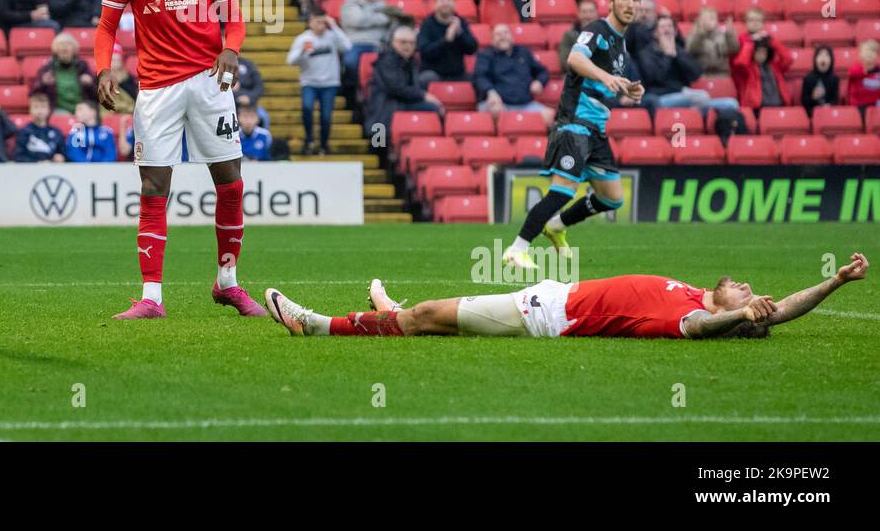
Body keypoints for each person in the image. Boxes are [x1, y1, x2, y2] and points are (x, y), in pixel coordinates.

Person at [94, 0, 262, 320]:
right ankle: (152, 297)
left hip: (210, 83)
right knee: (153, 188)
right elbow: (107, 25)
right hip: (156, 90)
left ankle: (228, 283)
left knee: (230, 182)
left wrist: (231, 47)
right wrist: (103, 67)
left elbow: (236, 19)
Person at [264, 253, 870, 340]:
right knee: (433, 318)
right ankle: (385, 308)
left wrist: (738, 314)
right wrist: (836, 281)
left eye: (746, 292)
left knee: (427, 318)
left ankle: (315, 325)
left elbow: (707, 331)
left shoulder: (693, 316)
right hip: (553, 294)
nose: (745, 284)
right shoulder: (695, 290)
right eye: (746, 290)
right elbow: (783, 309)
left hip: (546, 316)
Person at [503, 0, 644, 270]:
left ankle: (556, 226)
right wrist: (605, 77)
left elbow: (605, 82)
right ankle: (517, 248)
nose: (630, 4)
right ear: (611, 2)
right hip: (575, 125)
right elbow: (575, 59)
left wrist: (627, 88)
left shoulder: (621, 44)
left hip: (597, 131)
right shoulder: (597, 30)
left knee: (613, 198)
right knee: (563, 190)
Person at [637, 15, 742, 127]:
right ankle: (692, 121)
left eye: (670, 26)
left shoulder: (679, 51)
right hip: (660, 98)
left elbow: (696, 73)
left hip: (685, 96)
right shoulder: (646, 53)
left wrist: (676, 55)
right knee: (701, 96)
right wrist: (667, 56)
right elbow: (655, 78)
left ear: (675, 32)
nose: (667, 29)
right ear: (655, 33)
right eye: (663, 27)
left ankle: (693, 120)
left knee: (731, 104)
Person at [287, 11, 351, 155]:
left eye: (323, 22)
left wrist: (334, 27)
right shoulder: (303, 39)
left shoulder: (332, 36)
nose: (320, 25)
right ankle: (309, 139)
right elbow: (291, 61)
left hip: (329, 83)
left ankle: (323, 144)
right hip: (309, 82)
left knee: (326, 116)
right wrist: (302, 51)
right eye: (317, 22)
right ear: (310, 22)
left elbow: (347, 47)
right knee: (307, 108)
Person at [364, 25, 442, 138]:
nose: (408, 46)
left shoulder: (410, 61)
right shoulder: (386, 61)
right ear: (393, 42)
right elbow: (396, 88)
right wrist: (423, 95)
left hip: (402, 103)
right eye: (403, 42)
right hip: (385, 107)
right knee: (379, 143)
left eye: (411, 43)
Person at [473, 23, 549, 118]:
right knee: (494, 111)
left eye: (505, 33)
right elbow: (480, 77)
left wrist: (539, 82)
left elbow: (543, 71)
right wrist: (490, 92)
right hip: (500, 103)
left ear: (512, 37)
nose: (502, 37)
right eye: (498, 34)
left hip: (526, 104)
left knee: (550, 116)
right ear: (492, 40)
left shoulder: (524, 52)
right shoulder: (485, 55)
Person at [417, 0, 478, 83]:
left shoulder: (460, 22)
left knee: (477, 80)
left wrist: (460, 33)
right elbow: (424, 51)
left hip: (458, 74)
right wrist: (446, 40)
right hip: (435, 74)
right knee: (425, 78)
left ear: (454, 3)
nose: (445, 3)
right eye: (442, 0)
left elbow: (472, 49)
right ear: (435, 3)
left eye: (449, 0)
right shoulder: (427, 24)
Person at [339, 0, 397, 74]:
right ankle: (352, 88)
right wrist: (381, 17)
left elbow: (391, 20)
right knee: (350, 63)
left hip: (380, 44)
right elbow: (358, 20)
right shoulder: (349, 4)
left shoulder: (382, 4)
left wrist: (370, 18)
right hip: (356, 44)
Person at [31, 32, 97, 114]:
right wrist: (43, 83)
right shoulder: (48, 68)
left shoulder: (83, 66)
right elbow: (33, 93)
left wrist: (90, 83)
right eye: (61, 45)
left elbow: (96, 95)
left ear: (74, 49)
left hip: (82, 109)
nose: (64, 47)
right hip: (57, 110)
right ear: (55, 50)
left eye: (68, 44)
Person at [730, 33, 791, 113]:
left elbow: (788, 58)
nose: (761, 55)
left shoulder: (775, 67)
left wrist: (771, 41)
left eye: (764, 52)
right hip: (757, 109)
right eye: (758, 52)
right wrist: (750, 43)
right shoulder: (748, 69)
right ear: (753, 52)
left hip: (778, 105)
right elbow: (740, 63)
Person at [684, 5, 739, 77]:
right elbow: (690, 50)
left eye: (712, 18)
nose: (710, 21)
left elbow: (734, 50)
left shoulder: (723, 35)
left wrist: (730, 35)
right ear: (699, 20)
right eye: (706, 18)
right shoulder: (693, 35)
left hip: (722, 74)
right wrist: (701, 34)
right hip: (701, 75)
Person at [13, 92, 67, 163]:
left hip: (52, 171)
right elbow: (18, 156)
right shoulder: (24, 132)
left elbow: (64, 154)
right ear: (30, 110)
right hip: (30, 171)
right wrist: (37, 162)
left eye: (43, 107)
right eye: (36, 107)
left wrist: (61, 157)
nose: (40, 111)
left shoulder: (56, 132)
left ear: (48, 110)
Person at [557, 0, 600, 70]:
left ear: (597, 13)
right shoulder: (569, 35)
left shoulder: (605, 33)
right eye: (584, 12)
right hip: (577, 76)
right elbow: (564, 62)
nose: (588, 15)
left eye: (591, 11)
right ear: (578, 14)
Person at [800, 46, 840, 116]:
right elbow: (804, 101)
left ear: (831, 60)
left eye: (827, 55)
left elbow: (835, 99)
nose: (823, 58)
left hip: (829, 113)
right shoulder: (808, 78)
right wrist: (813, 97)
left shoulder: (834, 79)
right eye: (820, 55)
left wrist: (829, 105)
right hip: (812, 113)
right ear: (815, 59)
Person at [846, 40, 880, 109]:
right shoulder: (856, 68)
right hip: (859, 105)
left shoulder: (878, 71)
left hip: (875, 105)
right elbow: (852, 73)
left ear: (877, 55)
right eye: (866, 51)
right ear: (861, 54)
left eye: (873, 51)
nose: (869, 54)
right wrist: (866, 69)